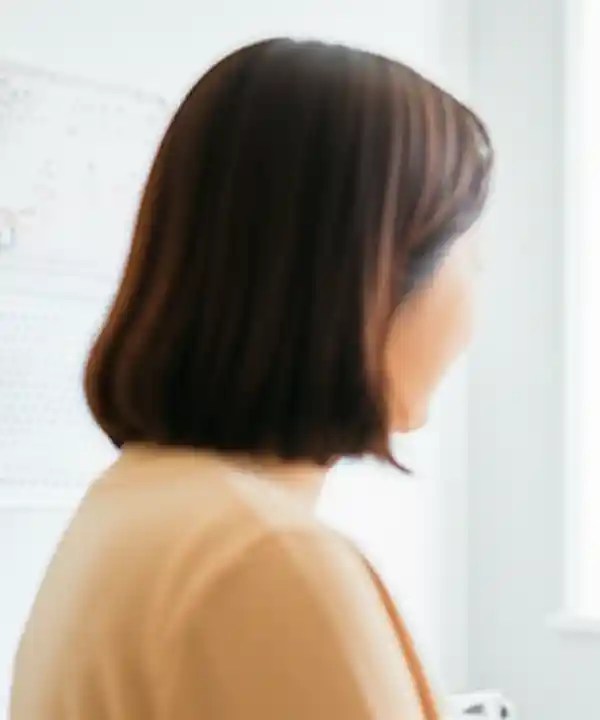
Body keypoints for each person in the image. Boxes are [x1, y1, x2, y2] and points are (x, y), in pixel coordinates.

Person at [9, 38, 491, 720]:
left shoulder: (138, 509)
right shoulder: (265, 562)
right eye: (471, 258)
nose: (475, 309)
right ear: (370, 273)